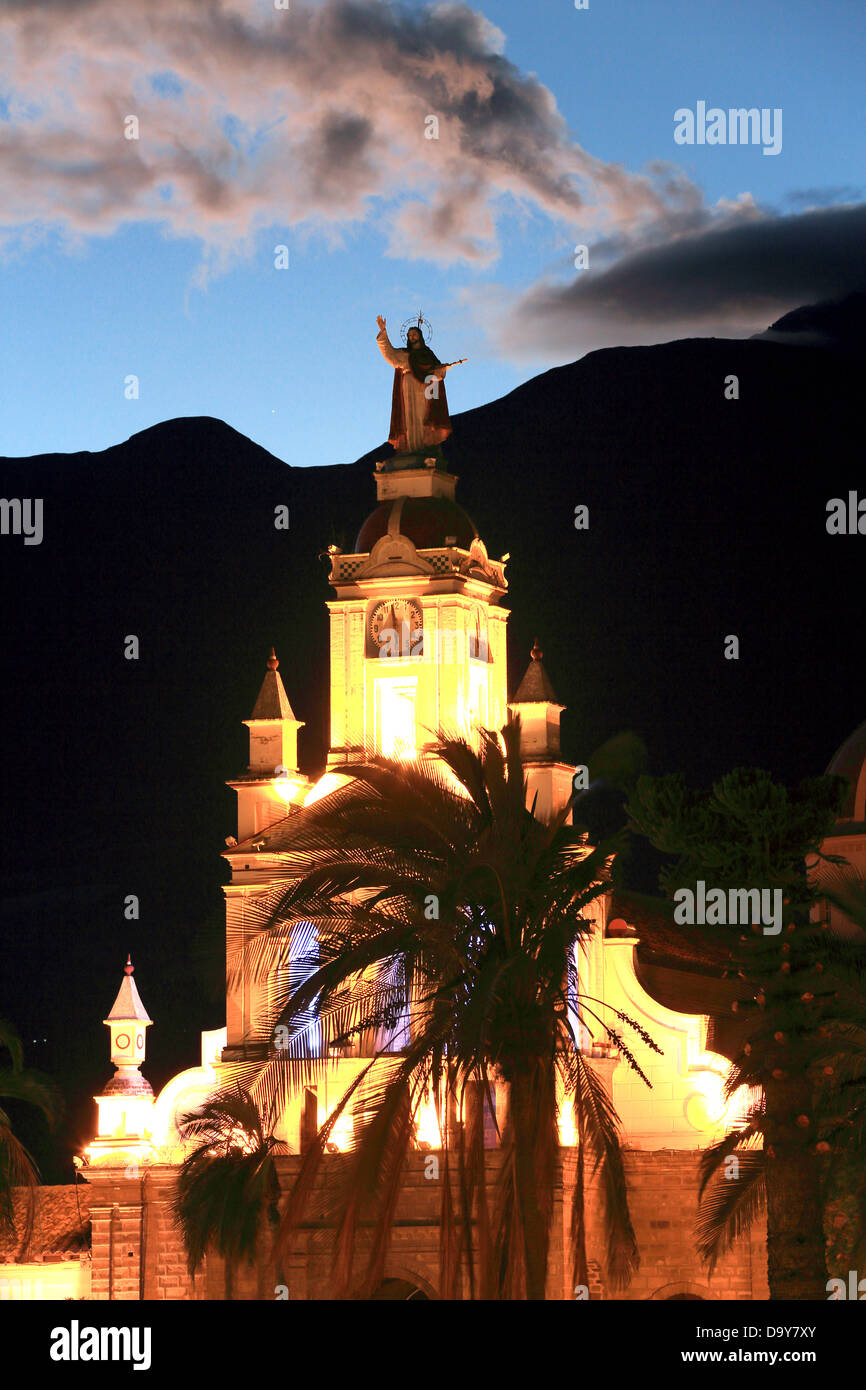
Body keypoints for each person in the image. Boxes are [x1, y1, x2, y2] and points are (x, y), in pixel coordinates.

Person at [376, 315, 451, 454]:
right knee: (409, 415)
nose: (412, 337)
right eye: (410, 335)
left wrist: (443, 369)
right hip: (408, 385)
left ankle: (424, 446)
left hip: (425, 388)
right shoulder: (405, 354)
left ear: (420, 336)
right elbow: (389, 354)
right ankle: (411, 447)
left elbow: (436, 372)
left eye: (414, 334)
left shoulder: (428, 354)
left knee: (424, 415)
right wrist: (383, 332)